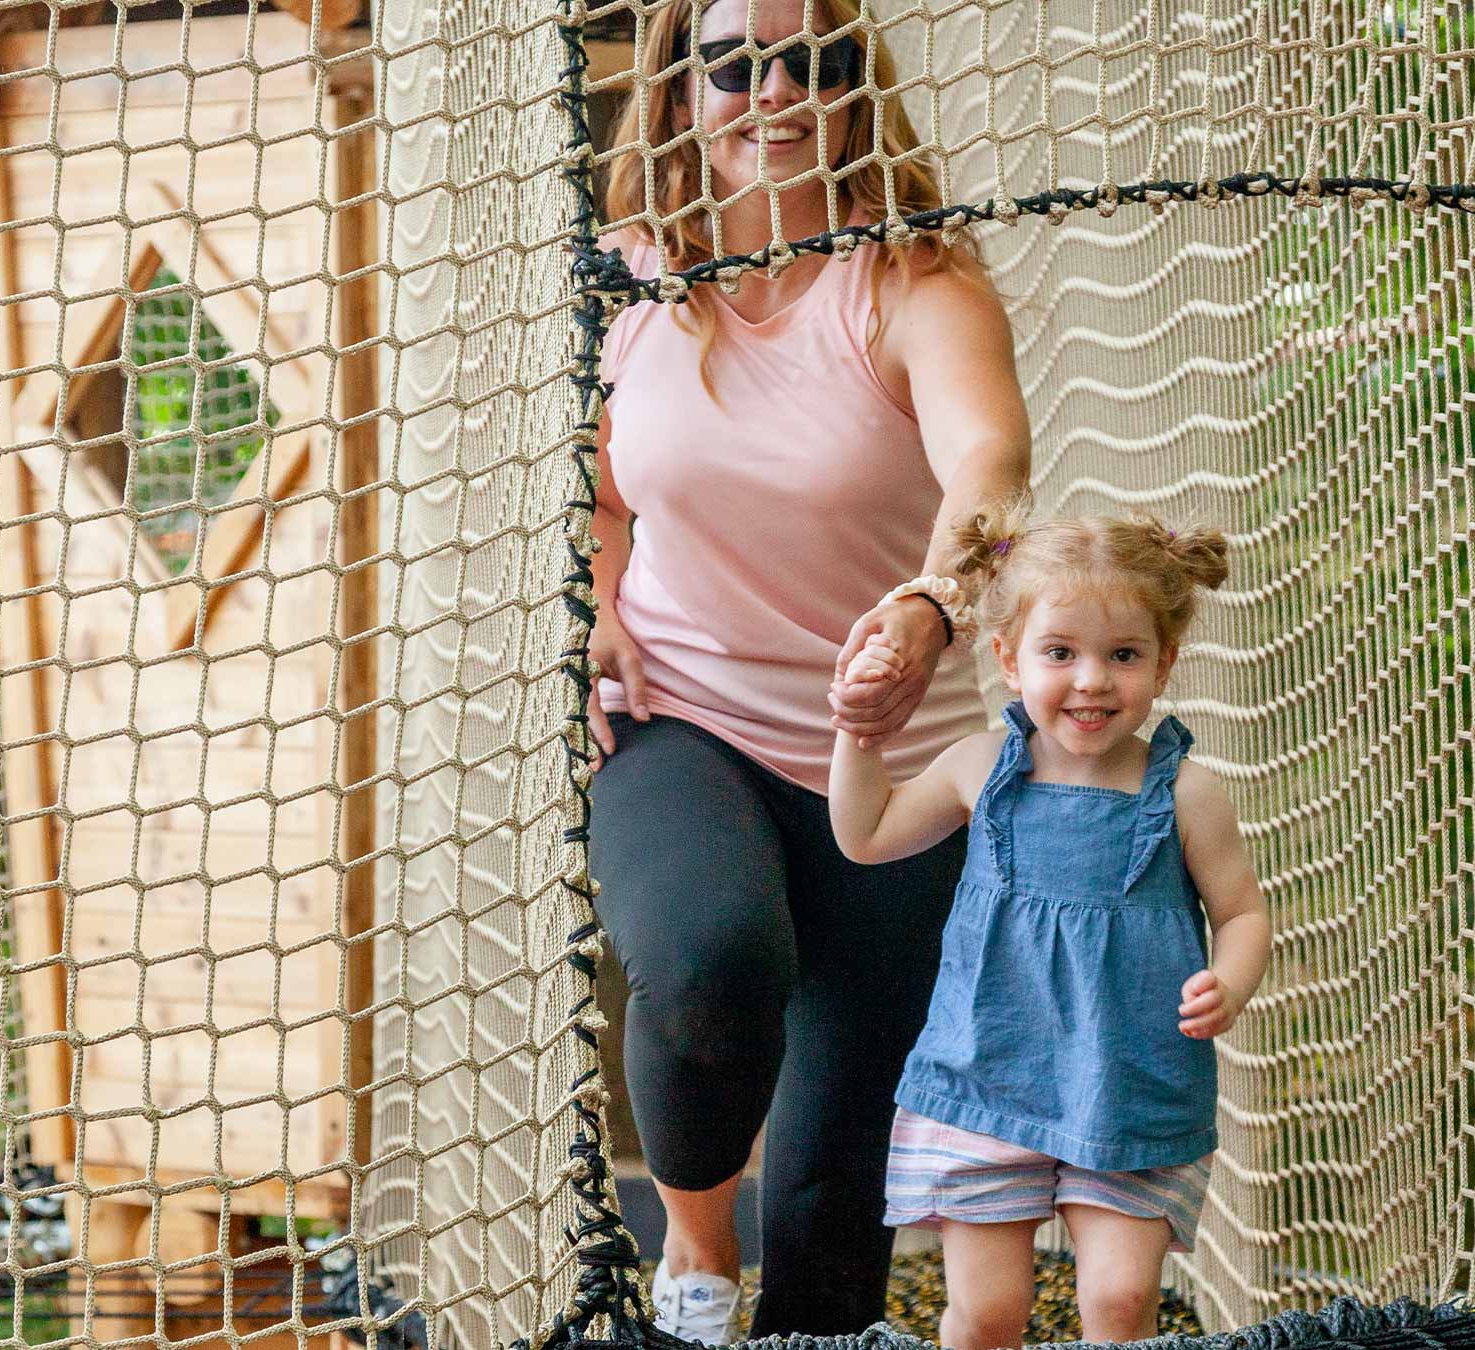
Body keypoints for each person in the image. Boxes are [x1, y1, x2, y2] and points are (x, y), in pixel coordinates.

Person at [583, 0, 1032, 1340]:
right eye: (735, 63)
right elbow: (601, 488)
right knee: (716, 962)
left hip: (890, 766)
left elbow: (990, 469)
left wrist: (932, 606)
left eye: (814, 62)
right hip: (683, 717)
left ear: (856, 89)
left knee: (837, 1213)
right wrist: (603, 607)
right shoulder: (629, 276)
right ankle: (696, 1267)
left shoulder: (916, 281)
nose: (774, 91)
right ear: (678, 92)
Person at [827, 506, 1273, 1346]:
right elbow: (866, 835)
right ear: (1009, 658)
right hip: (987, 1072)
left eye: (1124, 655)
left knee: (1116, 1300)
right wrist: (859, 734)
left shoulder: (1184, 792)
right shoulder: (979, 765)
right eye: (1060, 653)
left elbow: (1242, 911)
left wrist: (1233, 980)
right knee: (991, 1312)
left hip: (1132, 1082)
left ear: (1164, 662)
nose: (1093, 681)